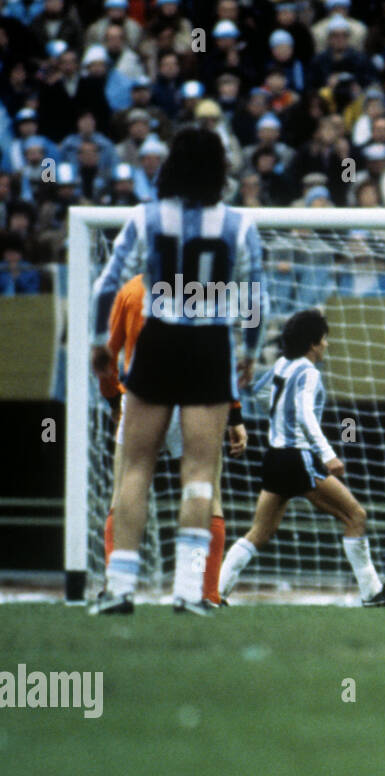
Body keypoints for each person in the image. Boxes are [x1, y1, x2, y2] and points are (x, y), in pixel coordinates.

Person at [89, 127, 262, 615]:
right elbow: (255, 297)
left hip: (159, 338)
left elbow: (106, 283)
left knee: (137, 466)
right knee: (200, 472)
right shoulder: (238, 224)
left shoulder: (147, 217)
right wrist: (248, 348)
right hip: (209, 343)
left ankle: (120, 588)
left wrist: (95, 343)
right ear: (219, 170)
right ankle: (189, 591)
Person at [217, 310, 385, 607]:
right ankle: (372, 592)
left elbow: (255, 391)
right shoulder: (308, 372)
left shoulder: (282, 365)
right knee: (356, 516)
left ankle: (217, 592)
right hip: (297, 458)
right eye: (324, 339)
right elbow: (306, 414)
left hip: (274, 457)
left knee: (260, 531)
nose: (326, 345)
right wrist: (328, 455)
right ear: (313, 344)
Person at [94, 273, 246, 609]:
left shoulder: (131, 291)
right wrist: (235, 415)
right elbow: (221, 357)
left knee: (127, 485)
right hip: (193, 399)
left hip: (143, 397)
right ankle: (204, 593)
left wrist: (112, 400)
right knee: (205, 492)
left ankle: (116, 587)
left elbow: (106, 354)